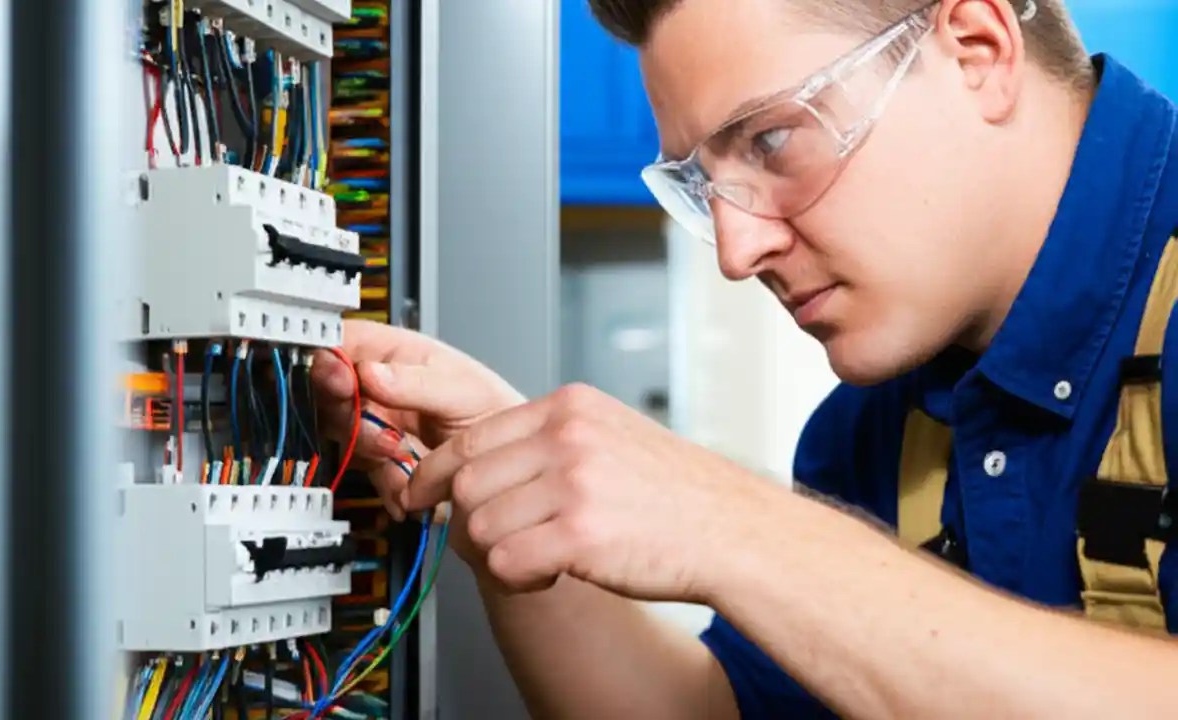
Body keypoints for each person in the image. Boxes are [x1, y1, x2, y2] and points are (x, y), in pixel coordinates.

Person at [314, 0, 1178, 716]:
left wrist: (737, 527)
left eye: (770, 142)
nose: (734, 251)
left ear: (978, 49)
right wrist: (506, 474)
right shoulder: (874, 428)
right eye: (702, 184)